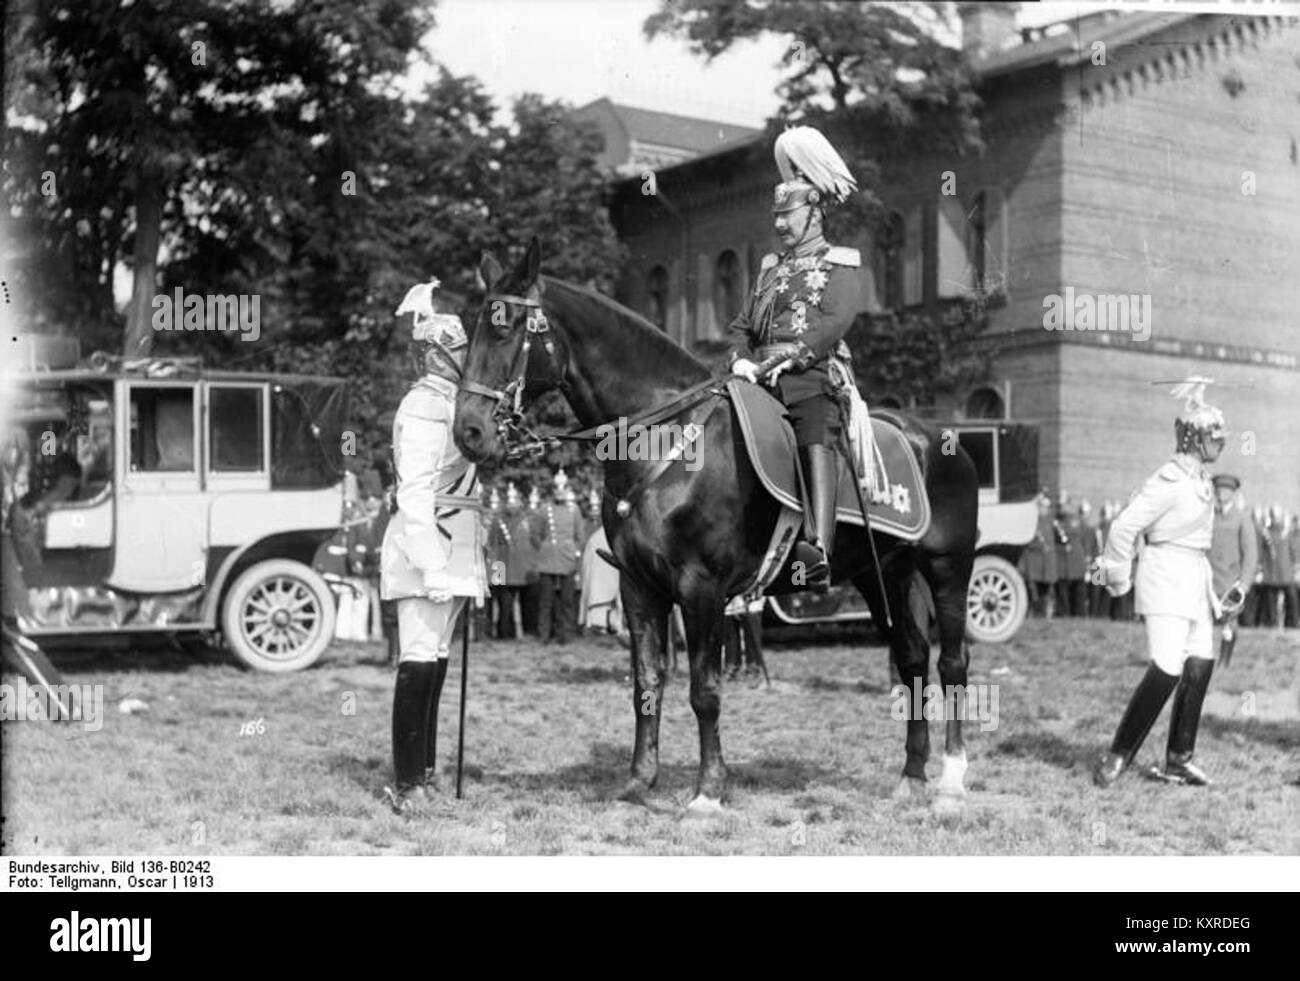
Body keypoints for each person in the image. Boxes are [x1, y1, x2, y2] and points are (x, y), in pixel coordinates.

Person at [727, 126, 863, 591]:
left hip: (809, 376)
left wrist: (798, 354)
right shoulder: (769, 271)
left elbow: (835, 320)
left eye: (790, 215)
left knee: (813, 424)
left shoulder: (840, 264)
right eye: (777, 216)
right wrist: (740, 360)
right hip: (757, 378)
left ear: (816, 212)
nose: (781, 225)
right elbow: (743, 326)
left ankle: (817, 547)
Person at [380, 278, 487, 812]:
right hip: (428, 548)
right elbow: (414, 494)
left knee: (437, 658)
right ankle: (407, 784)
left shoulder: (454, 403)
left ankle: (424, 769)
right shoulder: (423, 407)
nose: (465, 358)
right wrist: (430, 565)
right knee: (418, 658)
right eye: (458, 351)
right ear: (434, 356)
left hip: (455, 544)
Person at [1093, 379, 1227, 788]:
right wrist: (1118, 575)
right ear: (1192, 438)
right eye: (1212, 435)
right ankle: (1118, 754)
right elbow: (1124, 525)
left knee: (1201, 661)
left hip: (1193, 580)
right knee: (1168, 667)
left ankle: (1178, 758)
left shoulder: (1200, 479)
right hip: (1166, 575)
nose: (1220, 443)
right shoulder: (1169, 479)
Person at [1208, 474, 1257, 666]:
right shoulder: (1208, 516)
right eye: (1219, 490)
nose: (1221, 493)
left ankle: (1224, 663)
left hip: (1231, 583)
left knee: (1229, 625)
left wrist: (1244, 584)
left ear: (1233, 493)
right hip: (1209, 581)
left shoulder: (1242, 519)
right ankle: (1201, 661)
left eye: (1226, 490)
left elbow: (1250, 555)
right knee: (1202, 624)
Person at [532, 473, 583, 645]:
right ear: (553, 491)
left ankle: (565, 635)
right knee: (546, 601)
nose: (560, 493)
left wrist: (574, 552)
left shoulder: (574, 511)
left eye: (563, 489)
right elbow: (535, 535)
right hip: (548, 560)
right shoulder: (544, 510)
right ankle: (544, 635)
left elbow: (579, 536)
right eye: (557, 489)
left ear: (567, 490)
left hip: (567, 559)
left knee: (567, 601)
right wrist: (545, 549)